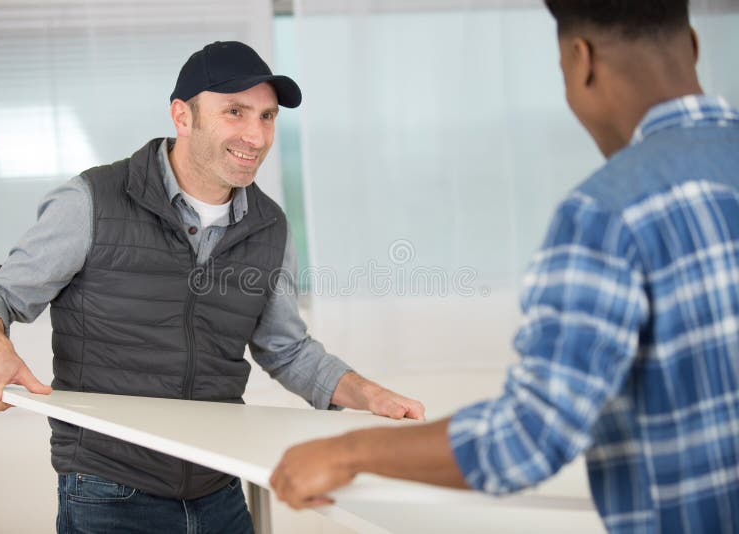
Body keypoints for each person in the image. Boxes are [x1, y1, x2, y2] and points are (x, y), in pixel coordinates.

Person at [269, 2, 739, 532]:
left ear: (580, 61)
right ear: (694, 46)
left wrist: (346, 452)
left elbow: (529, 438)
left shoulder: (609, 213)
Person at [0, 41, 425, 534]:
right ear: (183, 116)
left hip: (219, 491)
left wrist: (368, 393)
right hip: (109, 494)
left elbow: (286, 350)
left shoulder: (269, 226)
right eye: (235, 112)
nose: (256, 135)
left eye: (266, 117)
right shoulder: (92, 201)